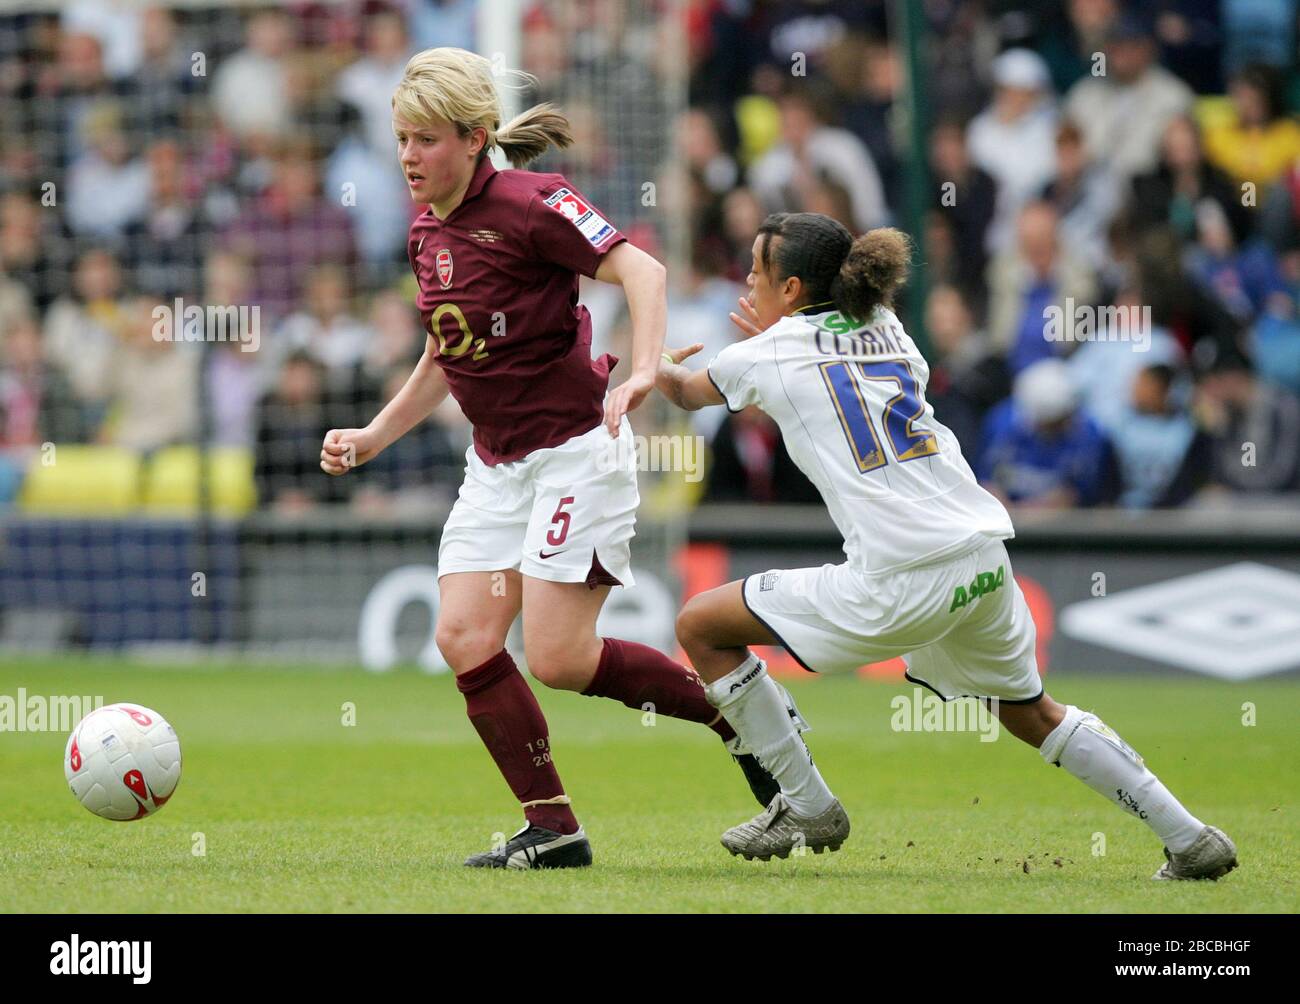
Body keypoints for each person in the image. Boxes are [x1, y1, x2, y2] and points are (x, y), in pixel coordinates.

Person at [656, 211, 1238, 881]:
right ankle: (1190, 838)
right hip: (982, 560)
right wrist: (776, 343)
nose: (747, 281)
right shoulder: (890, 326)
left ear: (789, 289)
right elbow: (824, 369)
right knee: (1032, 712)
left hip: (898, 579)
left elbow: (687, 391)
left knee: (700, 626)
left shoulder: (765, 353)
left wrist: (661, 367)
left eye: (756, 271)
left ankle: (809, 804)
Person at [319, 48, 784, 870]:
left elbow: (641, 268)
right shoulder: (425, 231)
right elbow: (443, 355)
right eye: (400, 139)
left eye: (424, 140)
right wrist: (372, 435)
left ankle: (740, 721)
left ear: (474, 138)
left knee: (562, 661)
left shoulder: (535, 203)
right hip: (495, 466)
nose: (408, 157)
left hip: (575, 453)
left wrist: (643, 367)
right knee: (463, 638)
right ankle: (554, 828)